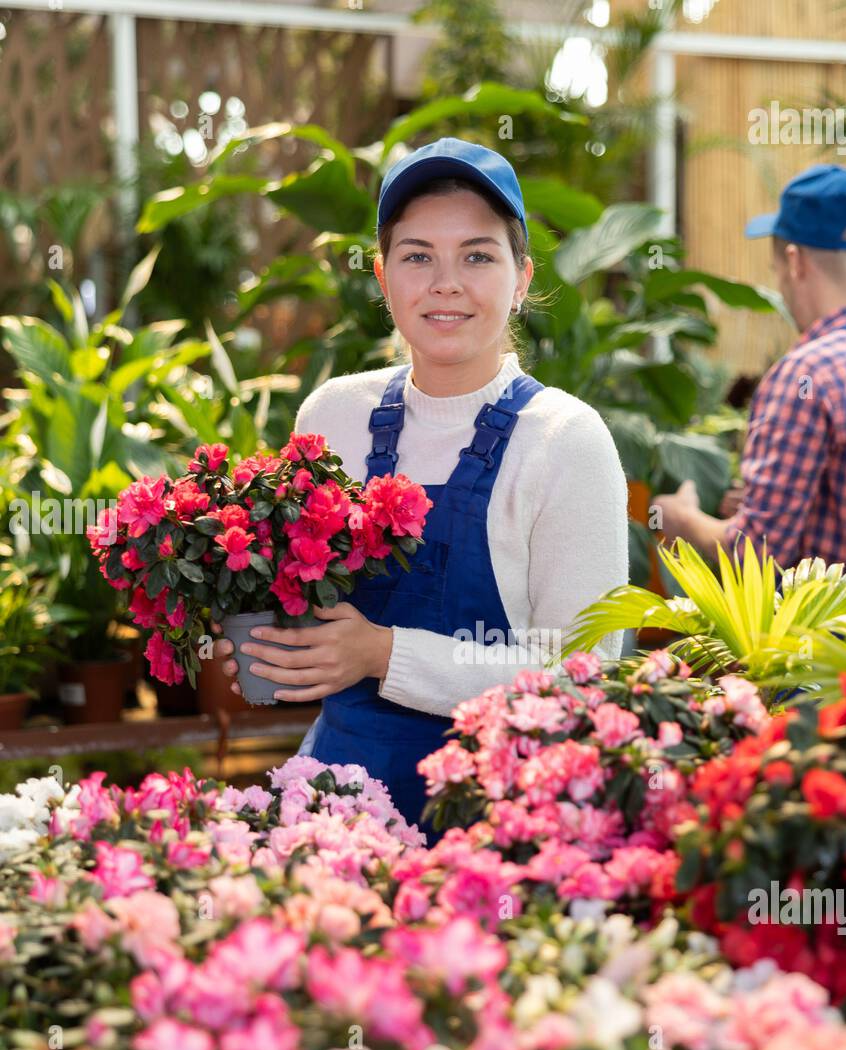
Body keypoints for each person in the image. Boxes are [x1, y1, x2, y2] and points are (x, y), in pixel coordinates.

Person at [214, 136, 629, 838]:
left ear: (521, 278)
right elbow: (299, 602)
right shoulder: (331, 418)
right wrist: (266, 646)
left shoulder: (565, 440)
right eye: (416, 257)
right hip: (341, 811)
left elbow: (580, 681)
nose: (445, 283)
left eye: (476, 255)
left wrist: (382, 653)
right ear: (381, 276)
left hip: (498, 821)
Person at [651, 164, 846, 585]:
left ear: (793, 261)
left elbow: (752, 554)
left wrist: (682, 519)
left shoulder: (807, 373)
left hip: (803, 647)